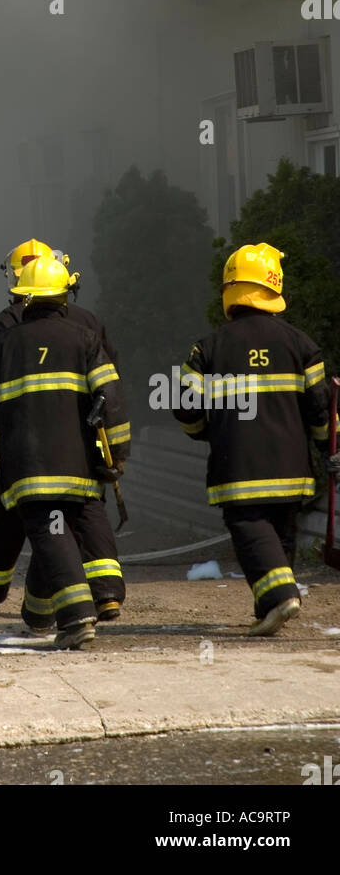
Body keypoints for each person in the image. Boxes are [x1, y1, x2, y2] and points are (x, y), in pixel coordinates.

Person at [0, 241, 127, 622]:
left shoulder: (8, 326)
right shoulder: (89, 324)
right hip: (82, 445)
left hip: (24, 443)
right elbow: (111, 385)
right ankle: (97, 594)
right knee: (80, 513)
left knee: (21, 515)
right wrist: (115, 450)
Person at [175, 243, 336, 637]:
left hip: (239, 466)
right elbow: (321, 411)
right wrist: (328, 450)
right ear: (273, 287)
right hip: (291, 468)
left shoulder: (208, 348)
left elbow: (185, 407)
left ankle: (280, 595)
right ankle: (271, 606)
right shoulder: (302, 345)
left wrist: (205, 432)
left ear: (230, 287)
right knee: (281, 532)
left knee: (249, 526)